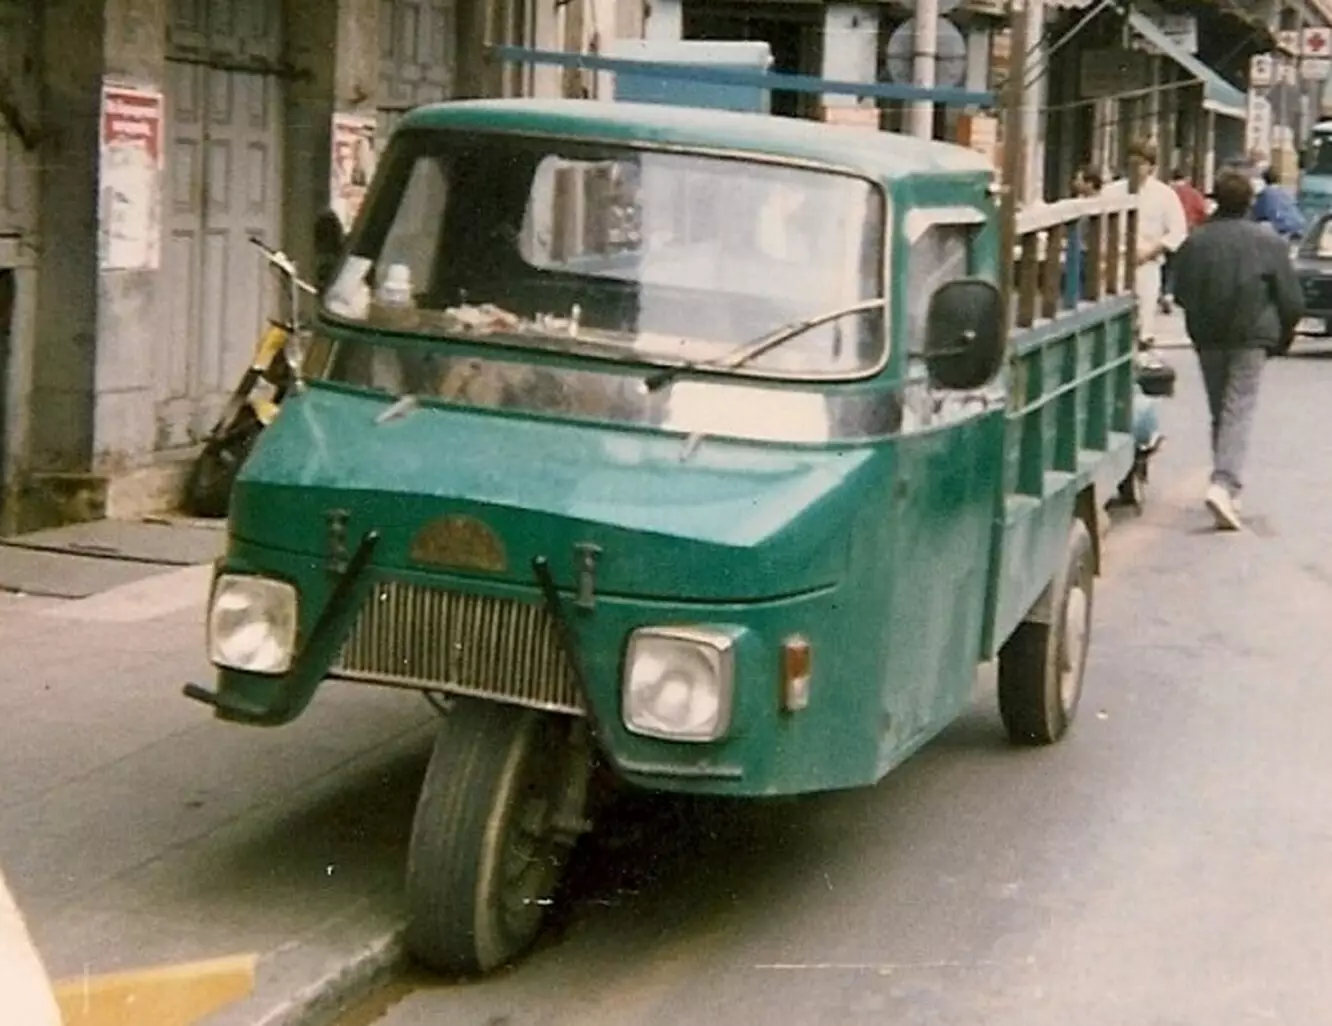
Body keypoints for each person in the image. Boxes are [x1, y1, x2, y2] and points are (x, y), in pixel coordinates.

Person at [1170, 170, 1304, 531]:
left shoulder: (1196, 242)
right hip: (1251, 335)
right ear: (1249, 202)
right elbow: (1291, 299)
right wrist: (1284, 333)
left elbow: (1179, 291)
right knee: (1238, 410)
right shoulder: (1267, 242)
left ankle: (1225, 483)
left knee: (1222, 409)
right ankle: (1225, 483)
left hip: (1208, 335)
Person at [1105, 140, 1188, 348]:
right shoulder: (1111, 192)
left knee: (1143, 319)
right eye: (1131, 163)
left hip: (1147, 263)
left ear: (1151, 166)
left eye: (1141, 163)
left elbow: (1177, 231)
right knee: (1112, 316)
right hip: (1114, 263)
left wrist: (1150, 252)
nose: (1136, 169)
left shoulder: (1165, 195)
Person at [1160, 168, 1208, 313]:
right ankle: (1172, 293)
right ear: (1186, 178)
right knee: (1179, 266)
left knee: (1167, 265)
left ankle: (1164, 291)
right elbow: (1203, 213)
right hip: (1187, 234)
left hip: (1166, 234)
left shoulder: (1166, 193)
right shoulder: (1193, 194)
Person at [1251, 167, 1307, 241]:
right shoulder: (1285, 191)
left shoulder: (1265, 194)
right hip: (1298, 224)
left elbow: (1256, 214)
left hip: (1282, 228)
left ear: (1263, 179)